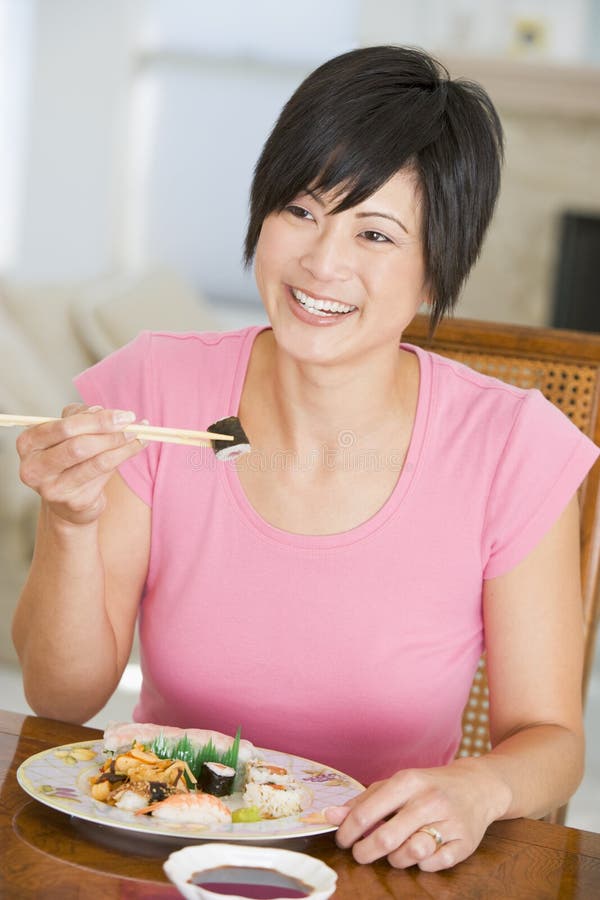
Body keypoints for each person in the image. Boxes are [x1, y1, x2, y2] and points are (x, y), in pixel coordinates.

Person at [12, 46, 599, 871]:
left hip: (373, 867)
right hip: (165, 846)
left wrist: (480, 788)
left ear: (437, 273)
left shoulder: (510, 447)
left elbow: (551, 740)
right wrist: (71, 522)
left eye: (375, 233)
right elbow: (59, 698)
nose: (323, 263)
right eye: (300, 210)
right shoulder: (156, 387)